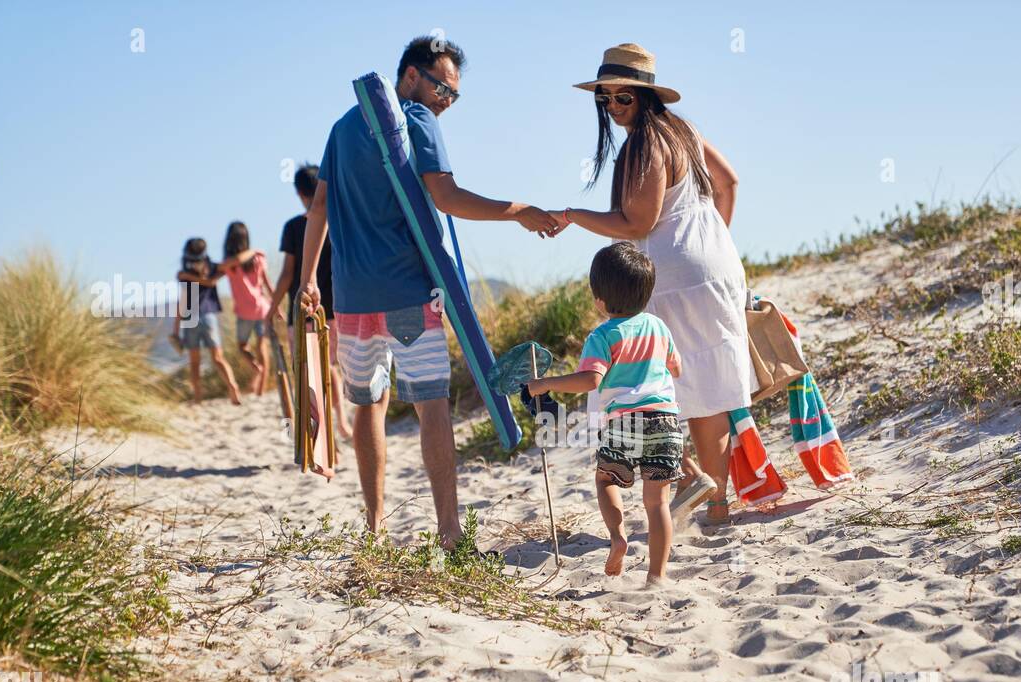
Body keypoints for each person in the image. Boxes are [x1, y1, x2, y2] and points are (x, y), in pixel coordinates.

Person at [297, 35, 563, 547]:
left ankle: (375, 530)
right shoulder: (416, 120)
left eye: (454, 94)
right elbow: (447, 197)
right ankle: (448, 530)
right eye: (443, 87)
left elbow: (319, 208)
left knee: (368, 404)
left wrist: (311, 280)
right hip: (408, 296)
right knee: (432, 404)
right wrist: (518, 211)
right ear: (412, 76)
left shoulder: (343, 125)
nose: (446, 100)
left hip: (353, 300)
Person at [557, 43, 752, 526]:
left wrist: (571, 215)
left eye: (623, 97)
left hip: (672, 278)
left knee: (643, 385)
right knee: (708, 392)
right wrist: (710, 241)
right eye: (605, 98)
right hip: (719, 266)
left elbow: (636, 222)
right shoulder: (684, 130)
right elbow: (729, 183)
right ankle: (717, 505)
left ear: (645, 96)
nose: (613, 107)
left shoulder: (645, 142)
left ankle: (688, 479)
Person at [527, 243, 682, 586]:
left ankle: (617, 536)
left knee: (606, 480)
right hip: (666, 421)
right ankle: (656, 576)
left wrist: (545, 384)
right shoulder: (659, 327)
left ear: (599, 299)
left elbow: (590, 380)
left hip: (624, 421)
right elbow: (677, 368)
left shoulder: (602, 336)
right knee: (657, 503)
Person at [267, 164, 351, 437]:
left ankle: (320, 430)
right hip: (335, 308)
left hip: (302, 310)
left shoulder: (293, 227)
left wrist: (272, 307)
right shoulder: (337, 223)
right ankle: (340, 421)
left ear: (299, 193)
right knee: (331, 368)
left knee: (309, 374)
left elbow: (287, 274)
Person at [172, 238, 241, 404]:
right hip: (209, 316)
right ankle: (233, 387)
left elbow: (183, 301)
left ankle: (197, 397)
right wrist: (211, 279)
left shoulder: (184, 274)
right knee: (218, 357)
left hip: (190, 318)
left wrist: (175, 329)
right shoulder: (212, 268)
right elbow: (228, 267)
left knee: (195, 362)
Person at [219, 221, 275, 396]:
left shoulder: (229, 264)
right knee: (262, 347)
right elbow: (267, 283)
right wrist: (275, 305)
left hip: (244, 312)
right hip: (262, 308)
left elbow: (224, 266)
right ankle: (261, 388)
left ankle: (256, 370)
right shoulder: (258, 258)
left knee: (243, 346)